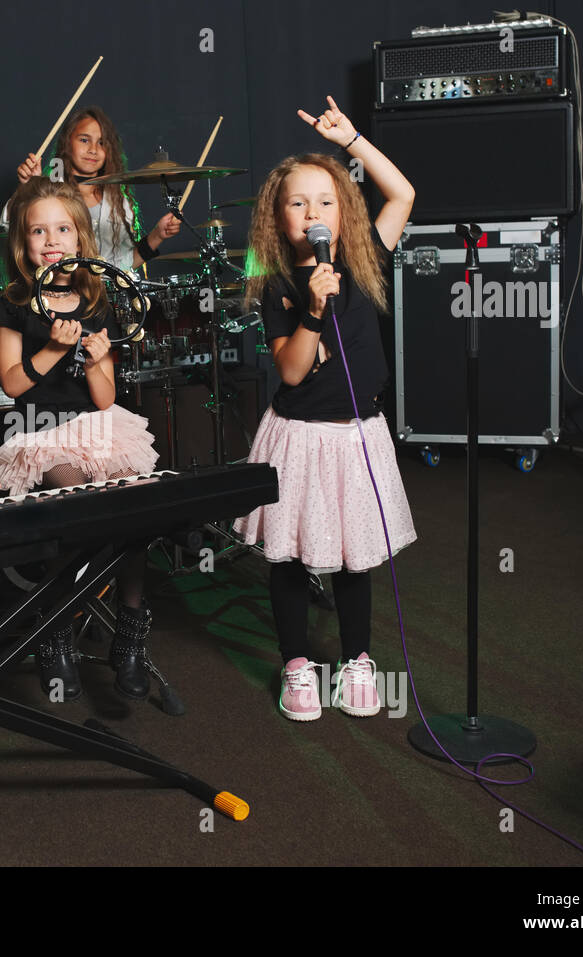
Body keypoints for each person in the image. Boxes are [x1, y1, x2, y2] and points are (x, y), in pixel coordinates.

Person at [233, 96, 418, 722]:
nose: (313, 212)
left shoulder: (365, 263)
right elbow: (290, 368)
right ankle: (297, 666)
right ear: (277, 218)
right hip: (300, 437)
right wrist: (313, 308)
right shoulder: (282, 285)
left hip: (356, 434)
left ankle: (358, 660)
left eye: (325, 201)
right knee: (289, 555)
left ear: (344, 212)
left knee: (352, 554)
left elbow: (404, 195)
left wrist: (353, 143)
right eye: (297, 203)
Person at [0, 177, 159, 701]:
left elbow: (106, 398)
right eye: (38, 230)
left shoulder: (96, 299)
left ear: (81, 238)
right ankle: (57, 633)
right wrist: (56, 350)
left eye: (62, 228)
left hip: (97, 425)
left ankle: (130, 637)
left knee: (135, 507)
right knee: (70, 507)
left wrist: (92, 355)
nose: (51, 239)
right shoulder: (14, 303)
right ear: (24, 242)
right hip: (39, 430)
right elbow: (13, 384)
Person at [7, 106, 179, 271]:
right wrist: (28, 188)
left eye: (102, 143)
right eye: (84, 140)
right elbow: (11, 228)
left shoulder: (118, 200)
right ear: (67, 143)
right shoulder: (51, 190)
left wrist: (157, 235)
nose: (93, 150)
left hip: (107, 296)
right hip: (62, 291)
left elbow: (123, 266)